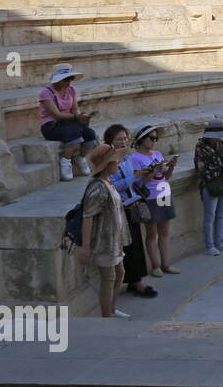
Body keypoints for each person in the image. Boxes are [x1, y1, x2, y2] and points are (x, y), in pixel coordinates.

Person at [77, 143, 135, 318]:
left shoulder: (108, 182)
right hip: (103, 241)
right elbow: (88, 217)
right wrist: (86, 247)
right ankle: (106, 316)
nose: (119, 163)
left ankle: (111, 309)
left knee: (119, 274)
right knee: (108, 278)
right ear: (108, 164)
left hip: (114, 240)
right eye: (116, 161)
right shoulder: (98, 187)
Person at [103, 123, 156, 298]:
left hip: (132, 205)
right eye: (119, 139)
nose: (123, 141)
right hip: (119, 209)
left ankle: (136, 280)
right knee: (127, 248)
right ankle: (130, 282)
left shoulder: (127, 160)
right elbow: (111, 186)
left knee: (136, 245)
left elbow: (134, 183)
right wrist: (135, 177)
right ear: (110, 142)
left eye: (125, 138)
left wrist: (146, 175)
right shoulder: (108, 160)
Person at [128, 124, 179, 276]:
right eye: (152, 138)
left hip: (164, 194)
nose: (154, 141)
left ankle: (166, 264)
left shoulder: (157, 153)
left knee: (164, 231)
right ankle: (155, 266)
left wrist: (170, 167)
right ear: (141, 139)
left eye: (156, 138)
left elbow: (165, 178)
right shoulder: (135, 158)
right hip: (149, 198)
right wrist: (154, 171)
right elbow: (139, 182)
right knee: (151, 233)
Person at [38, 63, 97, 182]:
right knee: (74, 133)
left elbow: (75, 109)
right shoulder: (46, 92)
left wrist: (81, 116)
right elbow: (56, 115)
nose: (69, 81)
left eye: (71, 78)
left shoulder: (71, 90)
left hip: (68, 122)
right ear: (58, 79)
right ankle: (66, 161)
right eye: (66, 79)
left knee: (90, 135)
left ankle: (80, 158)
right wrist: (76, 116)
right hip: (51, 126)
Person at [194, 119, 223, 256]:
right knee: (210, 216)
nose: (217, 138)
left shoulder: (221, 144)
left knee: (222, 214)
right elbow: (201, 170)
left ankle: (219, 241)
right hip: (210, 185)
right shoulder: (200, 147)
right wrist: (222, 168)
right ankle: (210, 245)